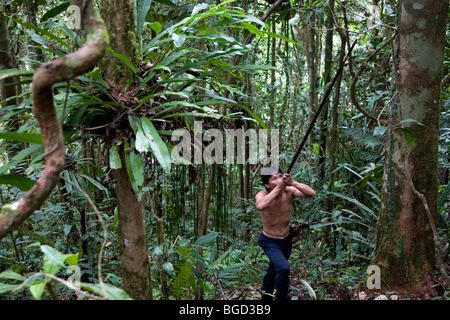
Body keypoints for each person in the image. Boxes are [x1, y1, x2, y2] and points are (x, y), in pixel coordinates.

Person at [255, 167, 316, 300]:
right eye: (274, 178)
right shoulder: (262, 195)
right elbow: (260, 205)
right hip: (269, 241)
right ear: (267, 184)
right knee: (283, 268)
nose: (279, 180)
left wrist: (292, 182)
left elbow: (311, 193)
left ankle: (265, 297)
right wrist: (278, 188)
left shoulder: (289, 191)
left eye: (280, 176)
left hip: (286, 240)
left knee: (273, 269)